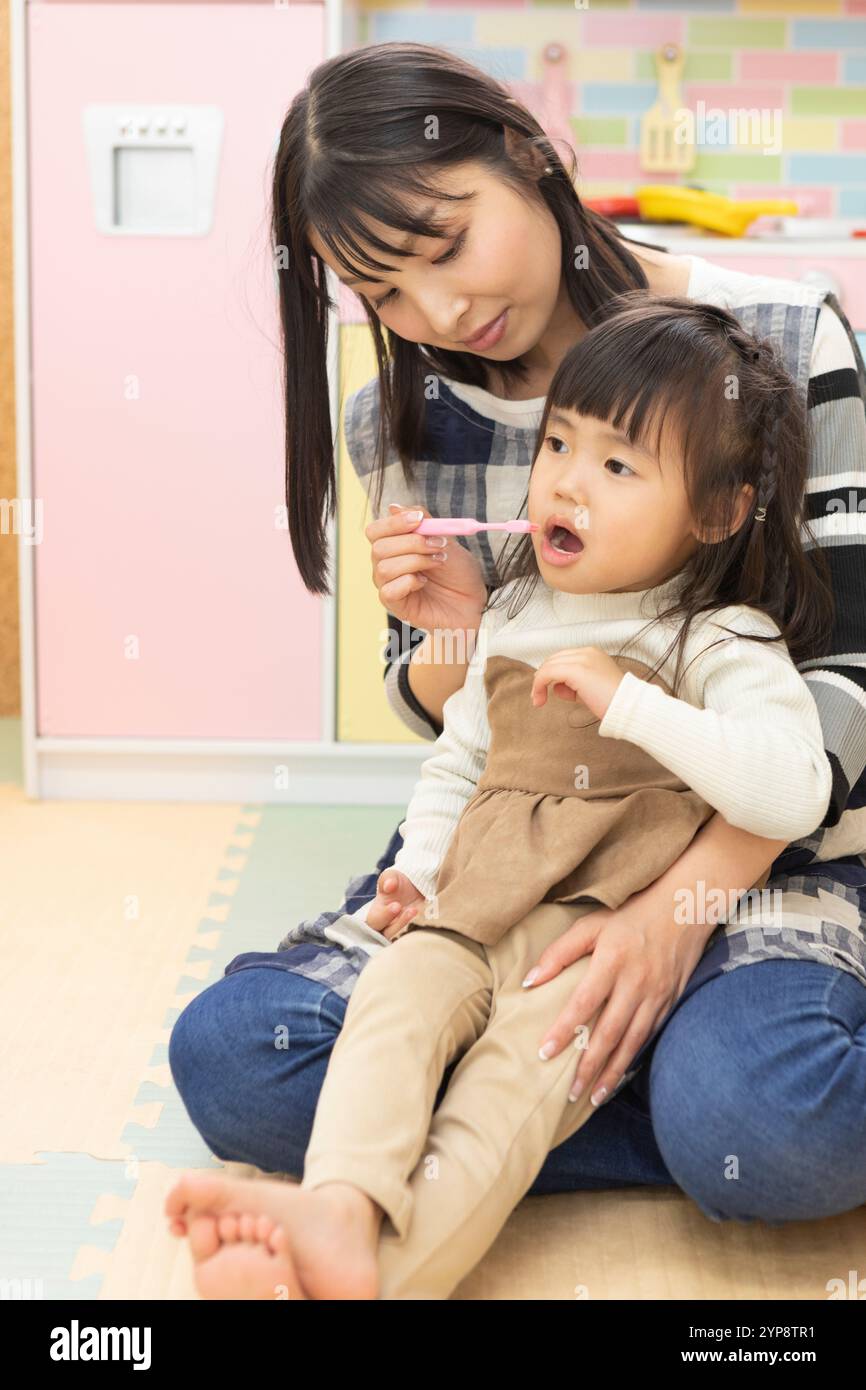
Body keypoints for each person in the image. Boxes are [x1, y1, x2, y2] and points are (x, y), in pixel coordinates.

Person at [167, 42, 866, 1286]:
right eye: (380, 293)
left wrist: (670, 918)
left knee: (765, 1124)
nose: (436, 315)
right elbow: (449, 718)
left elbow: (847, 691)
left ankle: (550, 1104)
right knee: (233, 1055)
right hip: (514, 851)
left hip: (753, 842)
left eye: (443, 245)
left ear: (528, 156)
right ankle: (624, 1084)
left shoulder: (771, 339)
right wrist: (459, 630)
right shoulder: (395, 416)